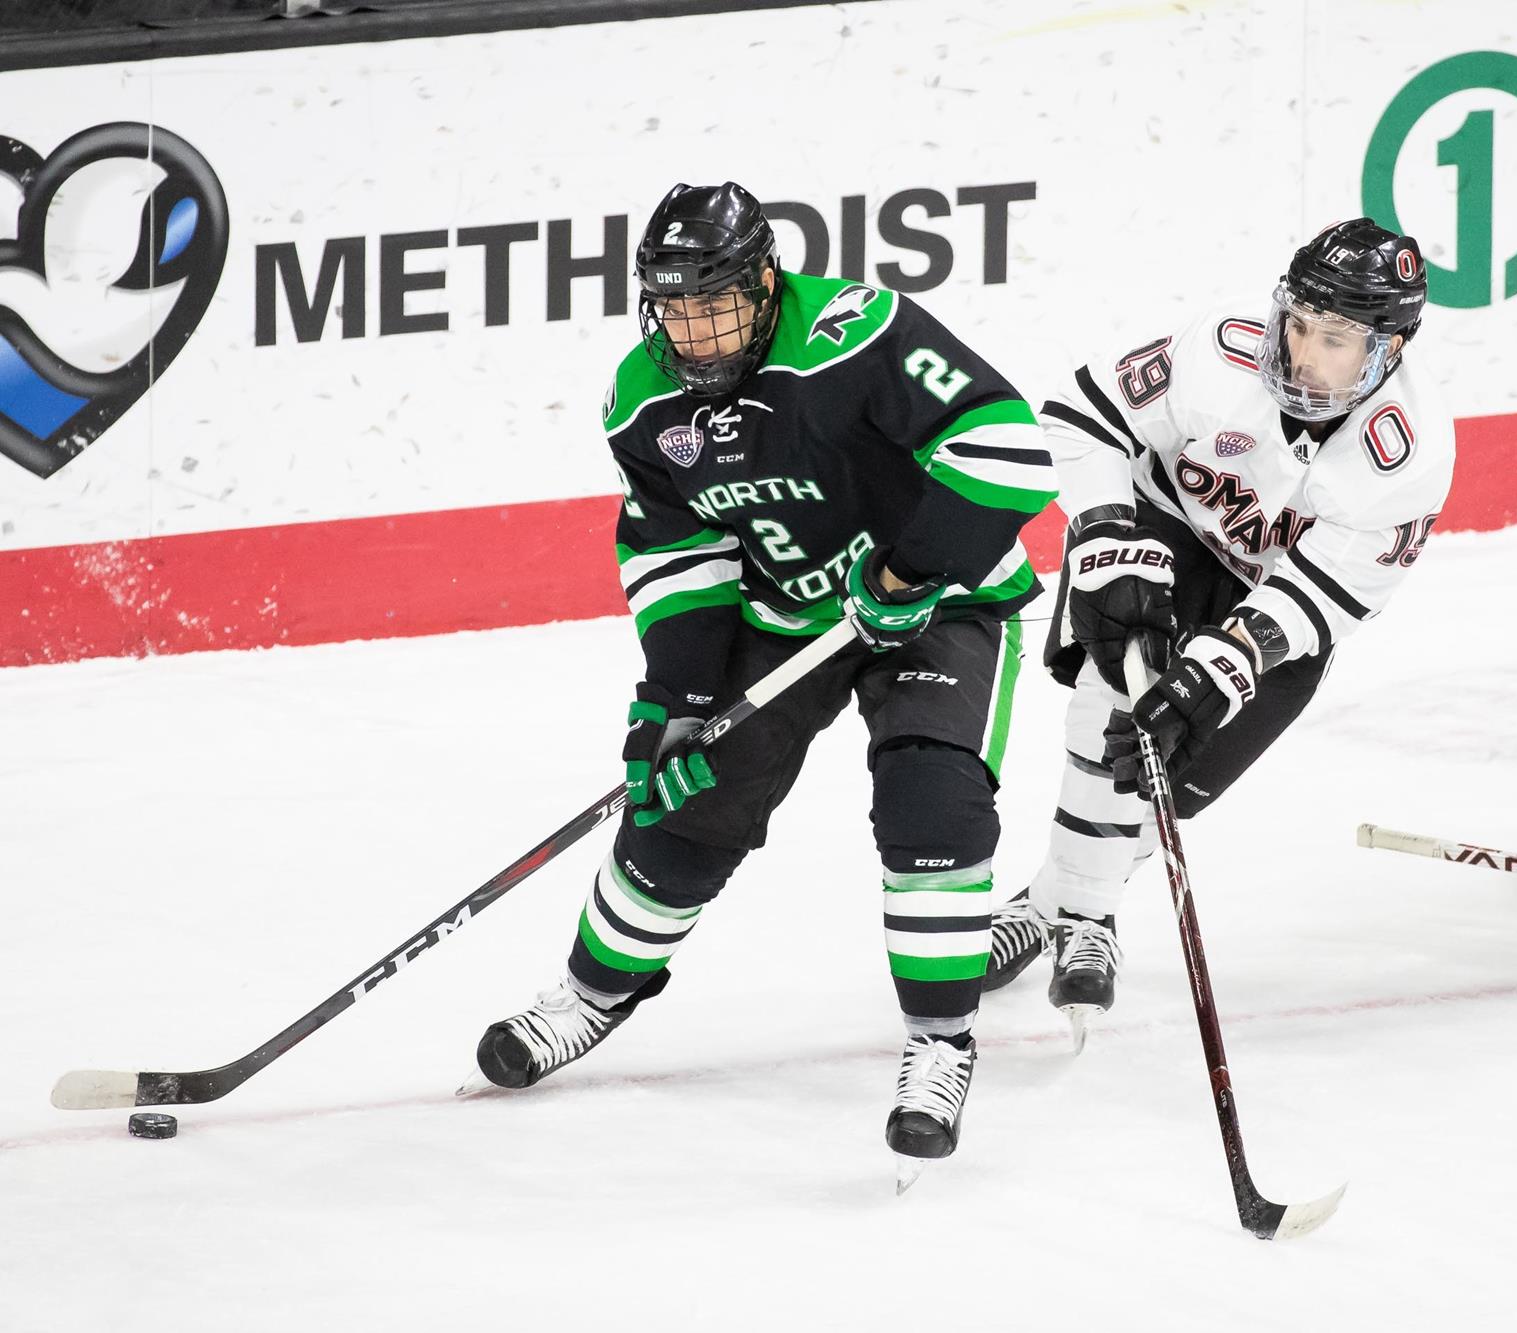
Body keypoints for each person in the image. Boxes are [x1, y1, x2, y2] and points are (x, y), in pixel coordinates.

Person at [469, 182, 1054, 1177]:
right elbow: (676, 554)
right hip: (789, 617)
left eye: (717, 303)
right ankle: (592, 995)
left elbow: (1006, 447)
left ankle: (939, 1042)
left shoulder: (851, 331)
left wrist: (908, 570)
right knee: (685, 800)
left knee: (930, 793)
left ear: (765, 278)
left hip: (942, 599)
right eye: (676, 308)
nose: (696, 331)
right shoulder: (643, 399)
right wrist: (679, 698)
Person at [982, 219, 1454, 1036]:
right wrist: (1101, 530)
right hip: (1159, 529)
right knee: (1116, 714)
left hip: (1277, 601)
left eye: (1336, 339)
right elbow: (1082, 412)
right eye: (1299, 323)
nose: (1302, 353)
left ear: (1390, 348)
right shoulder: (1223, 347)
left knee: (1173, 777)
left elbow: (1329, 594)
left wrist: (1229, 660)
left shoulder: (1407, 457)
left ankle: (1050, 901)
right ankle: (1088, 916)